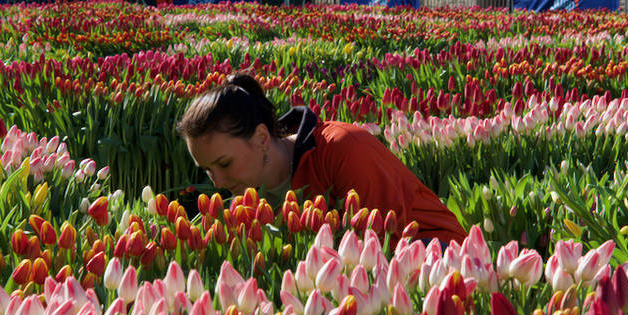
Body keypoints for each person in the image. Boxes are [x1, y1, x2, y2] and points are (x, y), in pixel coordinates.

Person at [176, 73, 466, 244]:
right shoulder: (248, 202)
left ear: (262, 138)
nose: (218, 183)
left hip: (433, 253)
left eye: (224, 164)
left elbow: (380, 243)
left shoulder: (342, 149)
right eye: (207, 170)